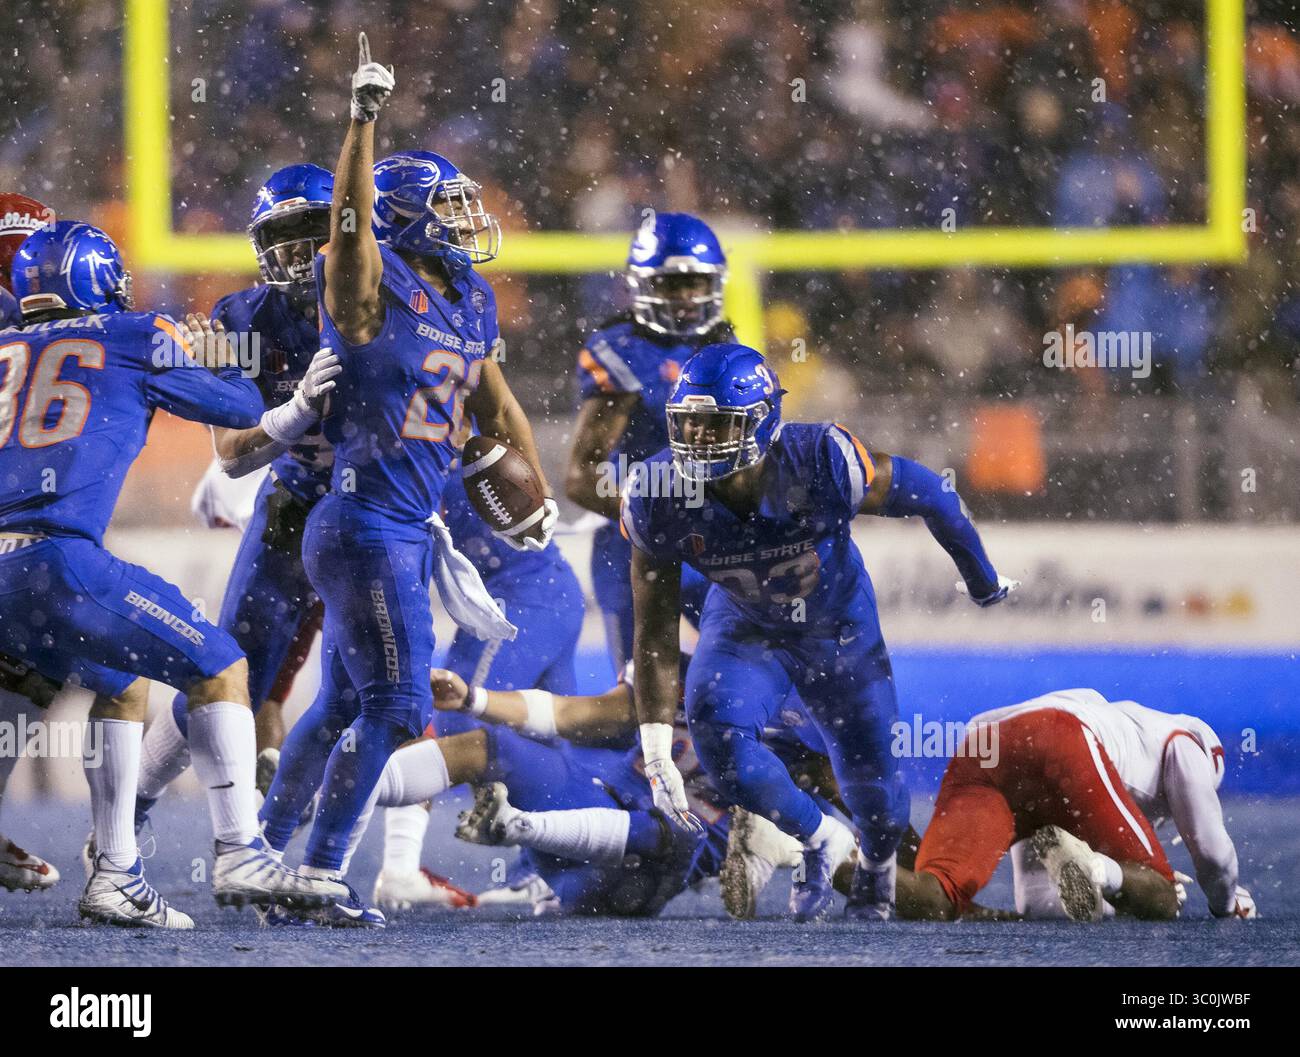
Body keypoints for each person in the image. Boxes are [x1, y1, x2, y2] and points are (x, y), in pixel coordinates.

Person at [0, 220, 345, 926]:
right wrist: (217, 358)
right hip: (55, 558)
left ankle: (116, 874)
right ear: (98, 277)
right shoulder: (133, 331)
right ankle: (239, 846)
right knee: (219, 665)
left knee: (119, 682)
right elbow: (242, 410)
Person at [621, 342, 1016, 921]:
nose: (697, 440)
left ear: (761, 422)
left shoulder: (821, 459)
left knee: (875, 792)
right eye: (687, 424)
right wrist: (656, 751)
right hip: (747, 627)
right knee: (719, 740)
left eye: (714, 425)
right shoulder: (657, 494)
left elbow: (931, 492)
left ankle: (878, 869)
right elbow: (654, 633)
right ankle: (819, 838)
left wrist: (981, 578)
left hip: (838, 629)